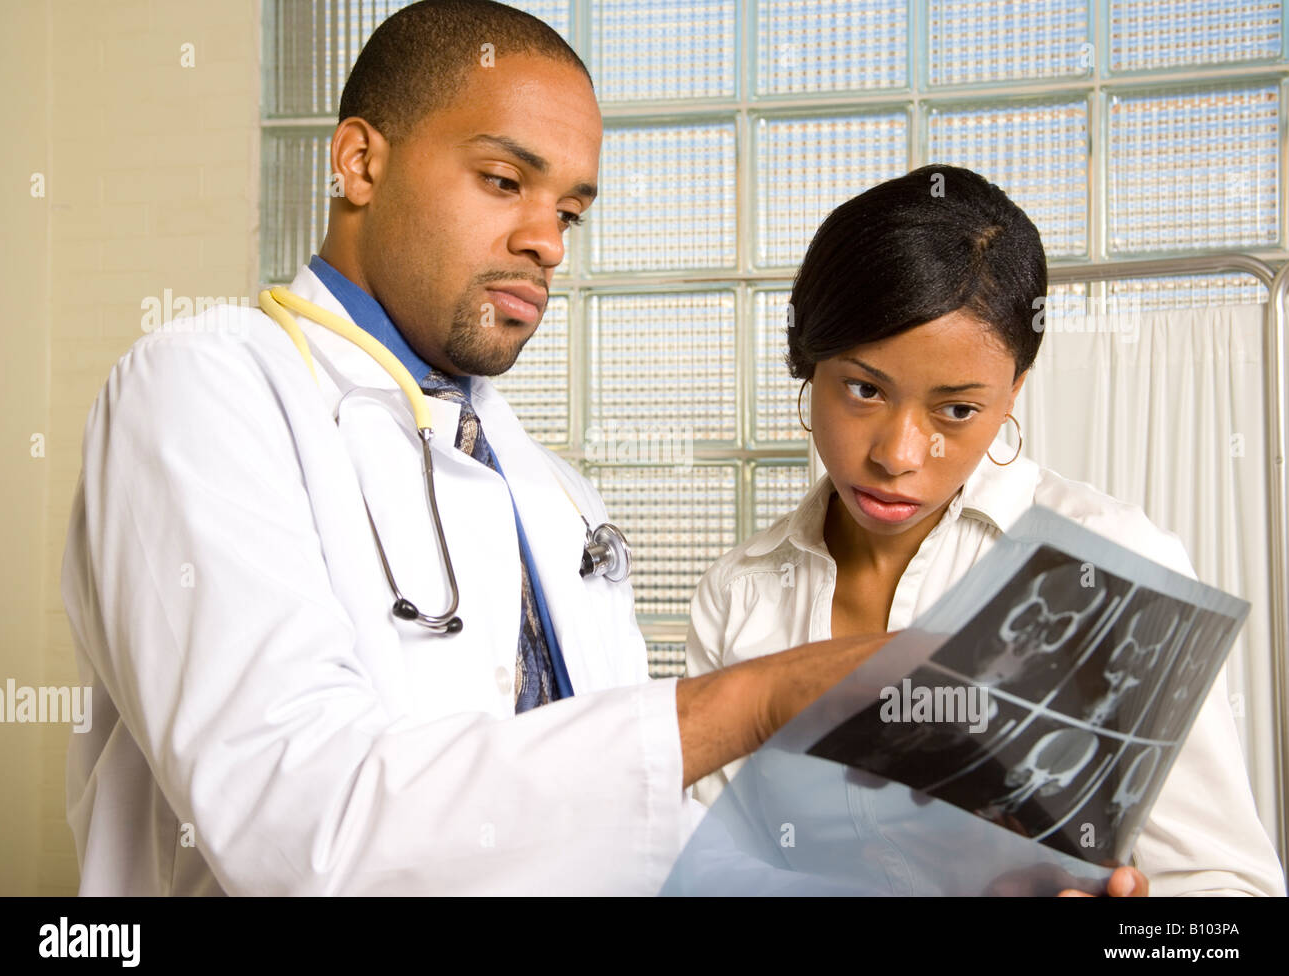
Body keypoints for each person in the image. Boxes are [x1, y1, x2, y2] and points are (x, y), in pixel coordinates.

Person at [59, 0, 892, 895]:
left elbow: (625, 834)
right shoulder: (203, 387)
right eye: (504, 180)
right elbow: (297, 827)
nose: (545, 242)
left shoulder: (554, 493)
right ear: (359, 161)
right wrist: (756, 700)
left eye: (569, 211)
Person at [686, 164, 1287, 897]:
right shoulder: (741, 591)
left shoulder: (1108, 565)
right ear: (809, 362)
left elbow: (1233, 897)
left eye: (957, 410)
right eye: (864, 388)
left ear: (1013, 396)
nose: (898, 454)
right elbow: (703, 868)